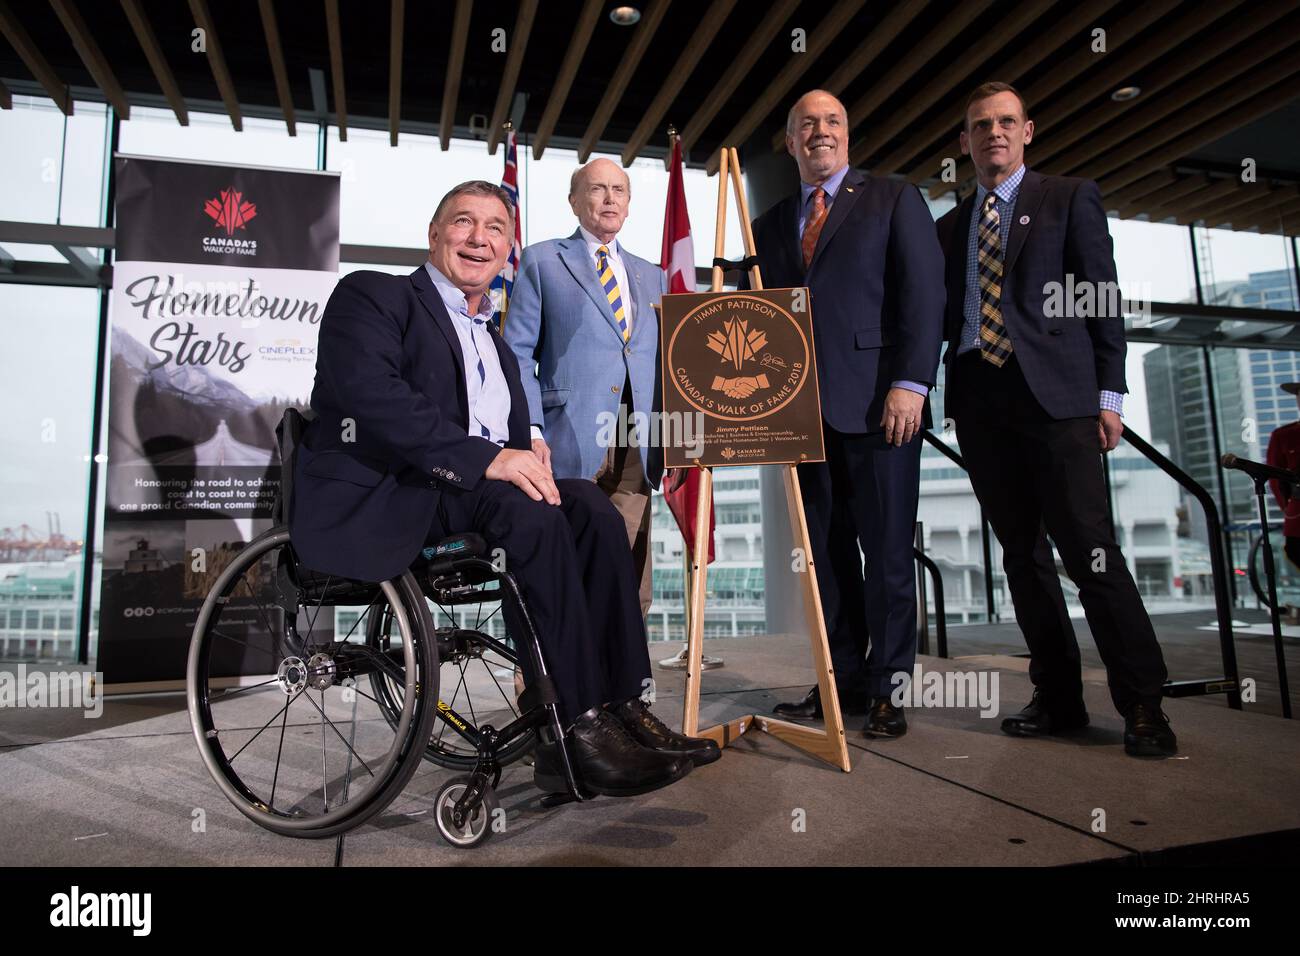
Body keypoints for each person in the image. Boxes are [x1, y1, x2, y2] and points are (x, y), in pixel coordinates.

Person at [288, 180, 719, 797]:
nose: (478, 237)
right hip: (397, 492)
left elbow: (515, 442)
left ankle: (625, 706)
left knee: (591, 509)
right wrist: (488, 459)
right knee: (531, 512)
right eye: (463, 222)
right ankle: (575, 728)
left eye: (494, 228)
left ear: (507, 248)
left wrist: (528, 451)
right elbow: (371, 397)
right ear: (434, 235)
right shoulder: (374, 294)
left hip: (474, 498)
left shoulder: (492, 336)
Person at [935, 82, 1176, 757]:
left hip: (1059, 401)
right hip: (981, 403)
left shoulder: (1068, 198)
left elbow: (1101, 293)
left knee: (1091, 553)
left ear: (1028, 130)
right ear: (964, 141)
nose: (994, 134)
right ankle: (1060, 698)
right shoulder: (948, 227)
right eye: (980, 125)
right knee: (1021, 557)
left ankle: (1144, 703)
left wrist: (1111, 394)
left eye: (1006, 122)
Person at [752, 90, 946, 738]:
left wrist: (911, 383)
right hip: (802, 419)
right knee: (826, 561)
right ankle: (843, 682)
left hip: (879, 409)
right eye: (806, 123)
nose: (820, 131)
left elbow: (925, 296)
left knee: (887, 555)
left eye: (832, 120)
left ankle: (890, 689)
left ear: (847, 132)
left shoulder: (893, 198)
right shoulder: (772, 224)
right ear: (790, 140)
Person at [505, 159, 667, 617]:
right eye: (597, 189)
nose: (610, 198)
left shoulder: (650, 274)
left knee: (628, 570)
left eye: (619, 189)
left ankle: (623, 678)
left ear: (630, 204)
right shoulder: (542, 259)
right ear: (575, 201)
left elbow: (658, 359)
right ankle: (548, 680)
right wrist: (532, 429)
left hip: (636, 440)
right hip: (566, 438)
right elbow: (516, 354)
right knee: (564, 562)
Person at [1267, 383, 1300, 571]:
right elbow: (1275, 479)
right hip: (1298, 512)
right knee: (1295, 550)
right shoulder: (1284, 436)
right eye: (1298, 394)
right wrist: (1287, 509)